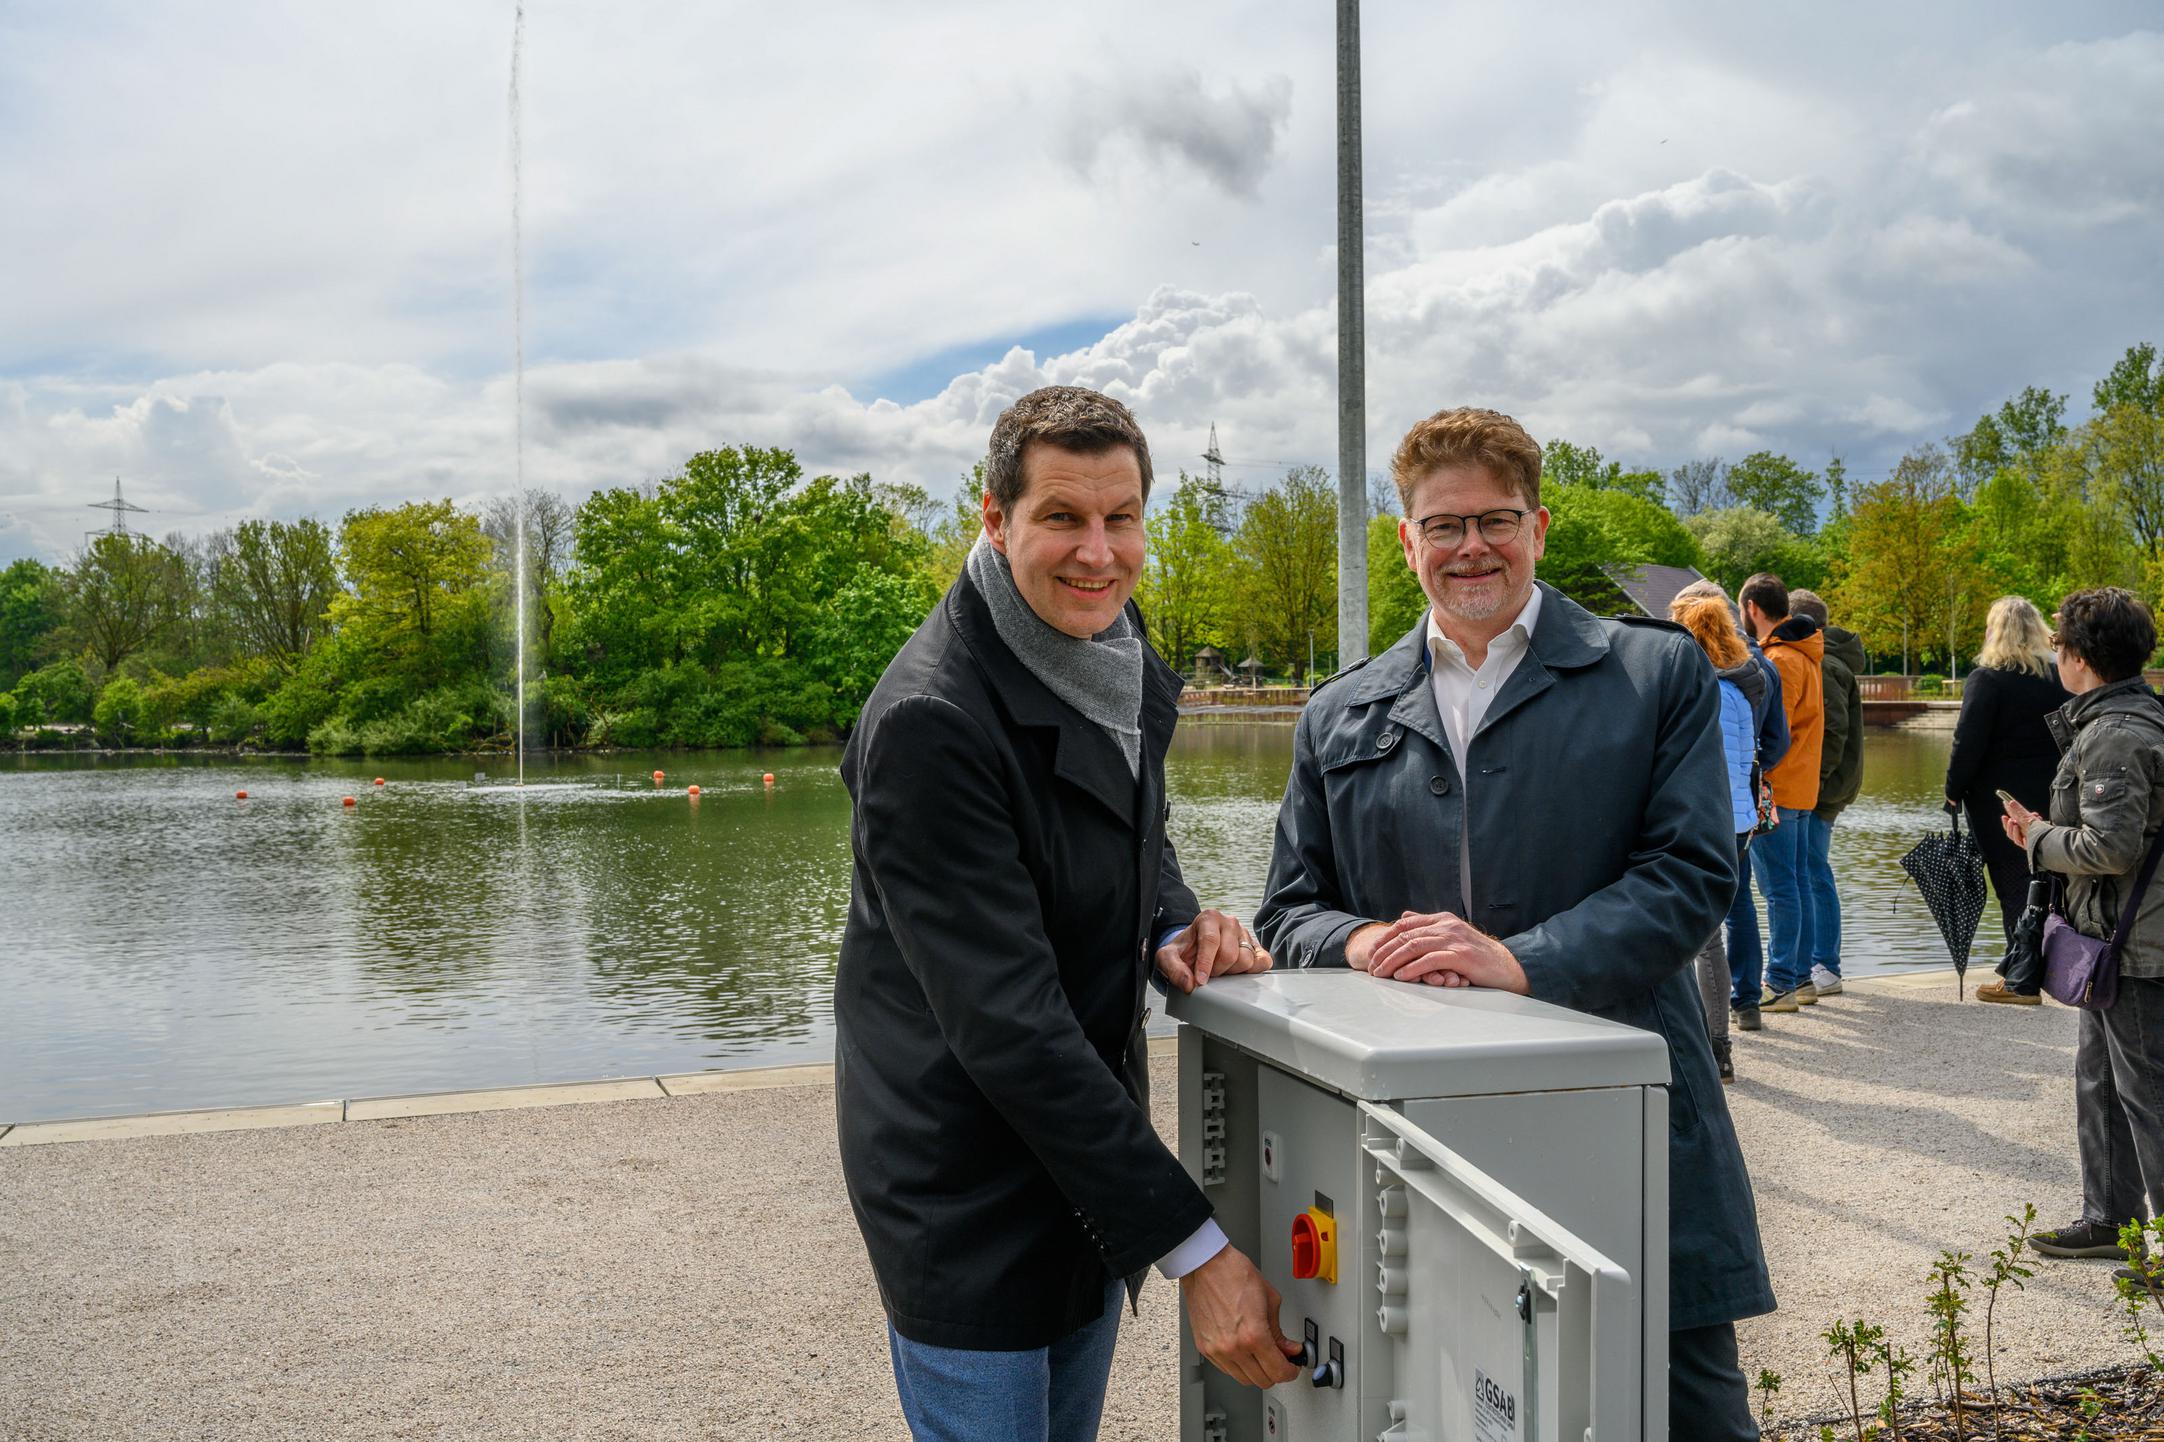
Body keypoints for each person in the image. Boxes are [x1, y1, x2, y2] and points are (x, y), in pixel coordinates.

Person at [1255, 406, 1773, 1437]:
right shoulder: (1340, 710)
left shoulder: (1653, 673)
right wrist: (1357, 940)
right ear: (1406, 541)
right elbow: (1286, 908)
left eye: (1495, 520)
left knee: (1685, 1410)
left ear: (1537, 525)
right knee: (1458, 1404)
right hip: (1419, 1141)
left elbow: (1691, 872)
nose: (1470, 547)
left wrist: (1517, 960)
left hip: (1631, 1122)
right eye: (1443, 526)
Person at [836, 386, 1299, 1441]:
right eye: (1061, 517)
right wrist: (1198, 1247)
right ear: (994, 522)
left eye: (1120, 516)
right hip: (967, 1186)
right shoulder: (929, 723)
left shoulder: (1101, 638)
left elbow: (1134, 827)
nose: (1098, 551)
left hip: (1082, 1165)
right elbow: (1008, 1022)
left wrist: (1173, 922)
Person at [2002, 588, 2164, 1267]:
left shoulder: (2116, 734)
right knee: (2100, 1084)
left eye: (2061, 646)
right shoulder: (2125, 719)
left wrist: (2038, 837)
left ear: (2082, 658)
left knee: (2149, 1099)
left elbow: (2112, 849)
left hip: (2138, 950)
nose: (2054, 656)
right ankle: (2109, 1220)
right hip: (2116, 943)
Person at [1676, 578, 1790, 1033]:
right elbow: (1777, 741)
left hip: (1702, 811)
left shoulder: (1691, 677)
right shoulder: (1756, 672)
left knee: (1697, 931)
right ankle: (1747, 1000)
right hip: (1743, 807)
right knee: (1739, 903)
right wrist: (1752, 773)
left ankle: (1705, 1034)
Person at [1946, 596, 2071, 1004]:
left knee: (2014, 886)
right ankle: (2032, 968)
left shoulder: (1988, 678)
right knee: (2048, 885)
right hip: (2053, 799)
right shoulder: (2058, 678)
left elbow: (1968, 743)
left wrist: (1952, 789)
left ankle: (2021, 980)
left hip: (2001, 804)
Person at [1668, 592, 1768, 1085]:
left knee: (1686, 938)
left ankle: (1695, 1045)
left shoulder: (1693, 683)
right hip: (1739, 821)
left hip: (1696, 819)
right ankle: (1720, 1048)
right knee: (1713, 939)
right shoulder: (1745, 686)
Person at [1739, 574, 1825, 1013]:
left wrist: (1753, 767)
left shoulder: (1780, 659)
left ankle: (1780, 979)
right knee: (1798, 883)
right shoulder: (1807, 653)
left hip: (1779, 785)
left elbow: (1777, 729)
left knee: (1778, 889)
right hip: (1804, 783)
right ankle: (1802, 976)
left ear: (1752, 608)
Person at [1789, 589, 1865, 997]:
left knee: (1814, 871)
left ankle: (1826, 965)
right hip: (1829, 784)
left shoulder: (1828, 665)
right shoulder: (1830, 660)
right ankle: (1816, 963)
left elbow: (1833, 730)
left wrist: (1812, 781)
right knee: (1812, 871)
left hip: (1822, 788)